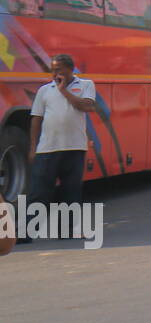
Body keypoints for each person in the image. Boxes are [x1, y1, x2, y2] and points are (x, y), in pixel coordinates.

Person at [25, 54, 98, 242]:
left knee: (71, 192)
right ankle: (26, 232)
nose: (55, 73)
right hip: (47, 149)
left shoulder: (86, 85)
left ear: (70, 69)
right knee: (39, 192)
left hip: (75, 148)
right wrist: (33, 147)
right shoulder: (44, 90)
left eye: (59, 69)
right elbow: (36, 118)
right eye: (53, 69)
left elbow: (87, 106)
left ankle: (65, 230)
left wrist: (63, 90)